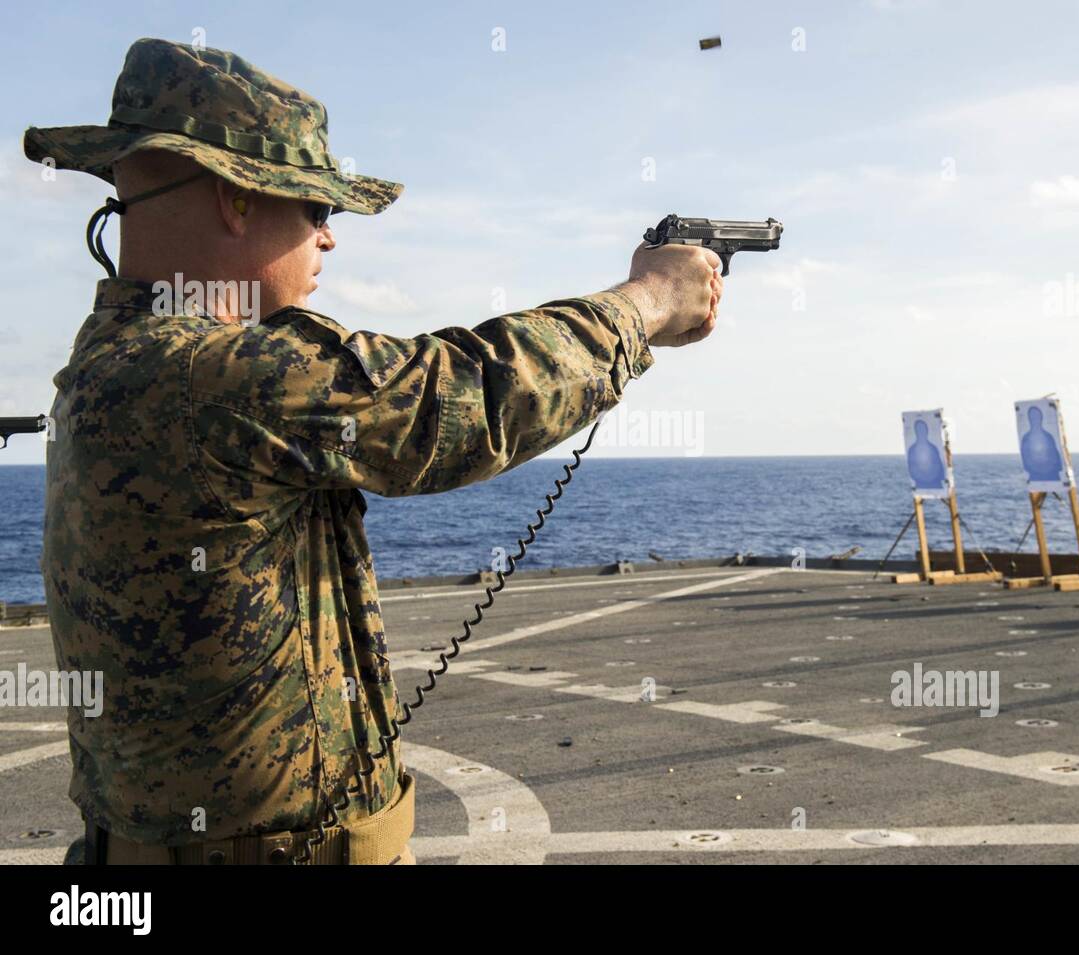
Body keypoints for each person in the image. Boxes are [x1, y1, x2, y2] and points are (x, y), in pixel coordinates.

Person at [26, 37, 721, 865]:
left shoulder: (108, 363)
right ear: (238, 199)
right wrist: (648, 300)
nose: (328, 240)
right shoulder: (219, 378)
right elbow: (462, 395)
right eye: (317, 210)